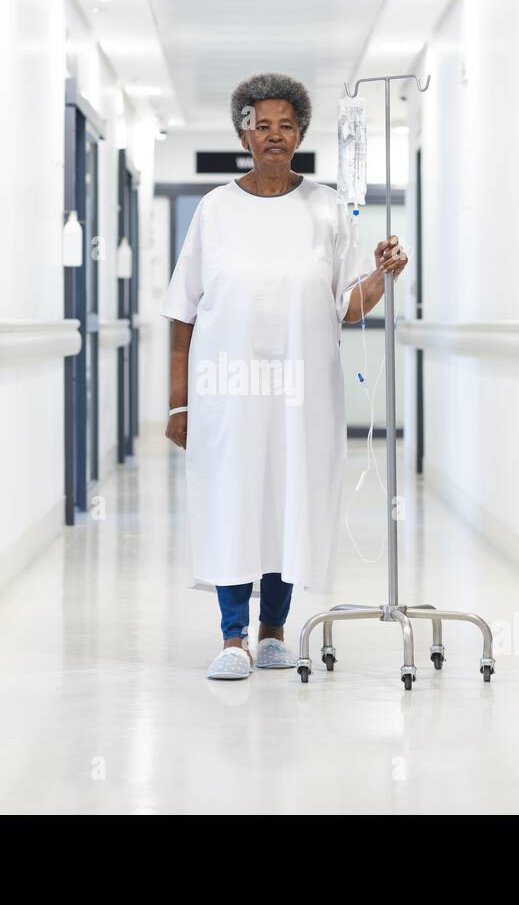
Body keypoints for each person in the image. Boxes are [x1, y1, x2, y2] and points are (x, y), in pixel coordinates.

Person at [161, 72, 407, 680]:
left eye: (285, 126)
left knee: (291, 497)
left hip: (304, 392)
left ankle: (275, 630)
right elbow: (181, 313)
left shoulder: (326, 206)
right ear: (244, 134)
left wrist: (381, 275)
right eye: (261, 125)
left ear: (300, 134)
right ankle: (232, 635)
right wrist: (178, 404)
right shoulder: (215, 210)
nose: (273, 135)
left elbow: (347, 302)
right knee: (233, 498)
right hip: (226, 392)